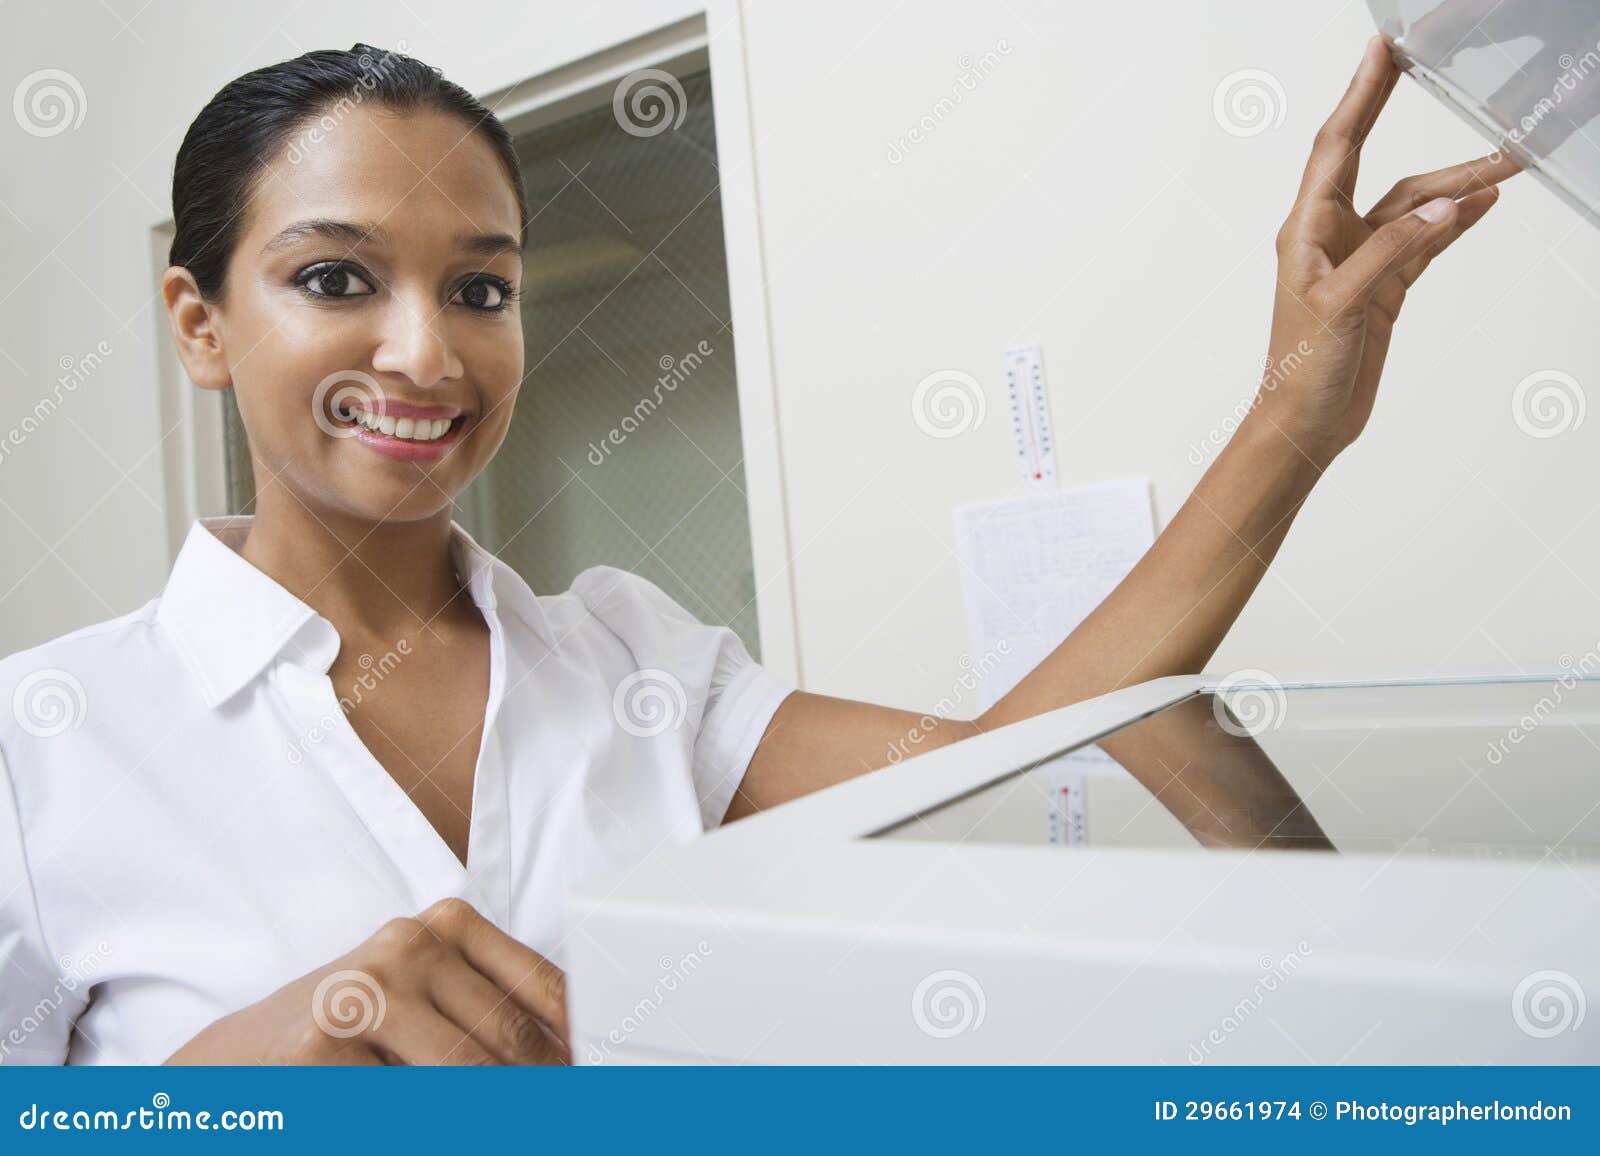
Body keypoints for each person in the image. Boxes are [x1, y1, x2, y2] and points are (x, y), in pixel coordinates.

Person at [0, 36, 1516, 1065]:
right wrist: (238, 1084)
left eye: (482, 287)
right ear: (201, 324)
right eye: (335, 276)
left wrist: (1296, 413)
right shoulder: (40, 746)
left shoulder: (630, 660)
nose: (426, 353)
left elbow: (1014, 766)